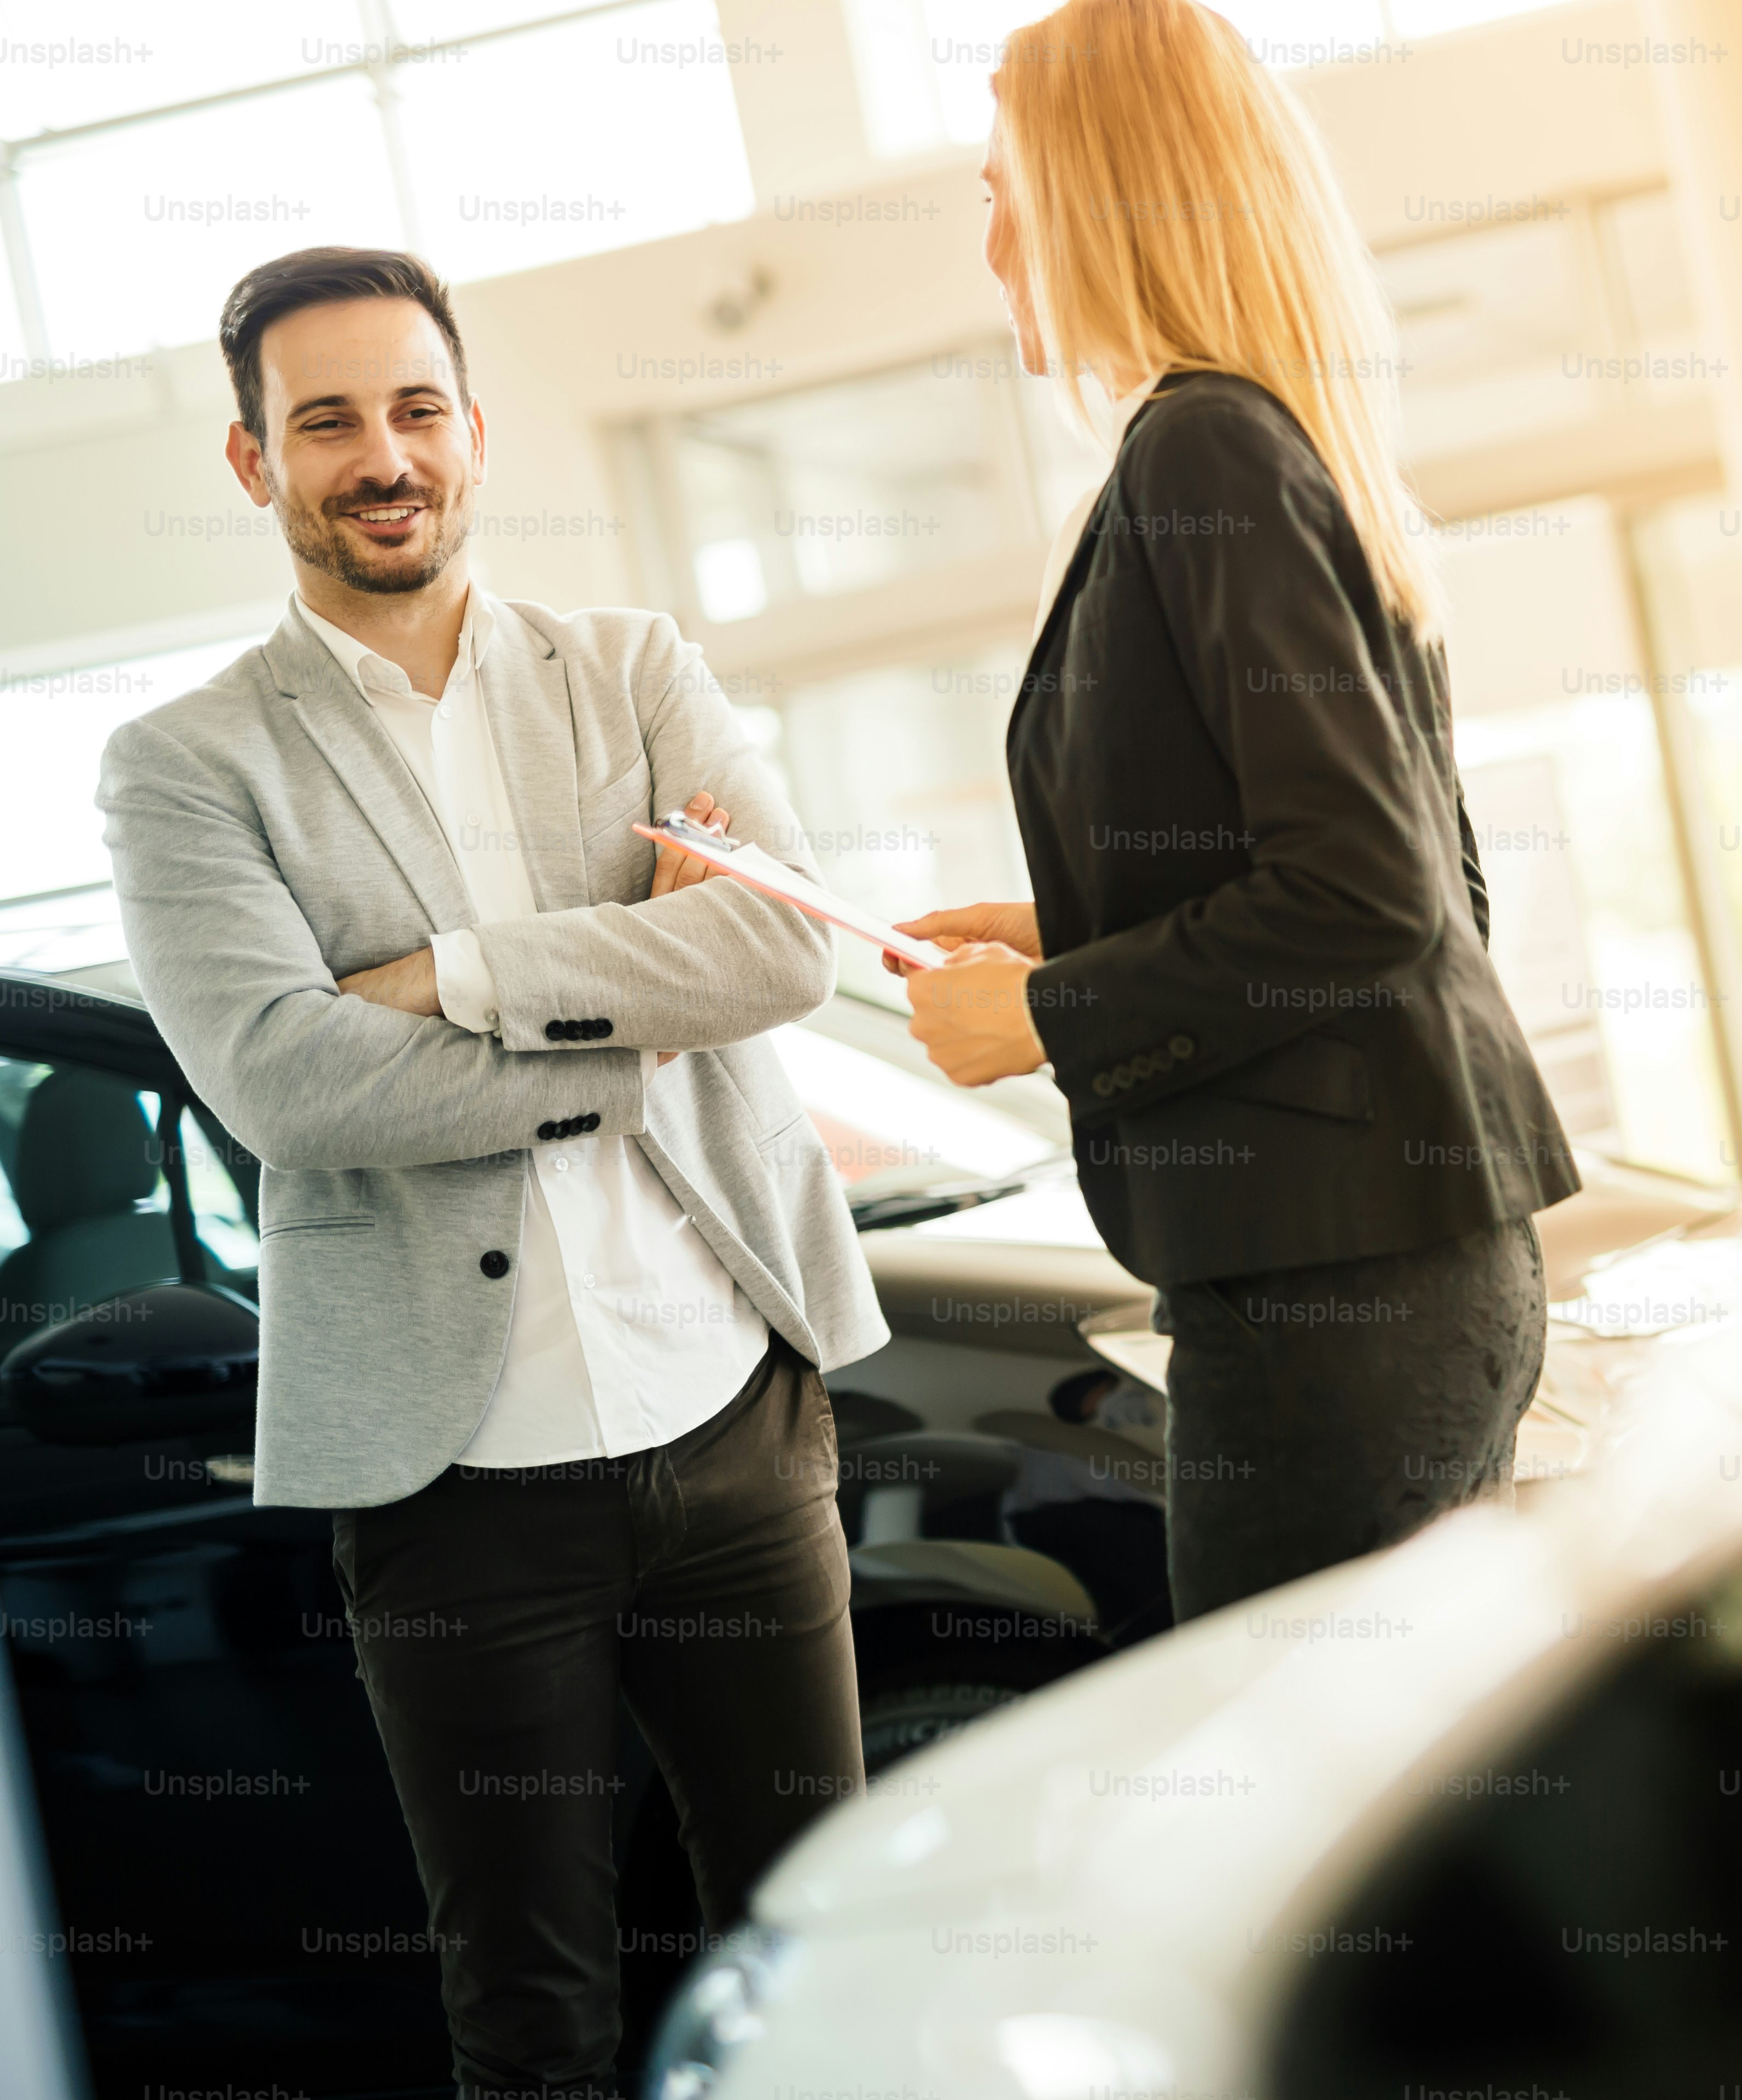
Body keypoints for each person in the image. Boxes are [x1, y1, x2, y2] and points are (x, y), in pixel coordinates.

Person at [95, 247, 885, 2099]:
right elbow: (285, 1082)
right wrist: (636, 1007)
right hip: (453, 1489)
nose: (385, 456)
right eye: (328, 422)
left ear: (472, 429)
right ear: (252, 463)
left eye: (416, 408)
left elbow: (786, 956)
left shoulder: (633, 669)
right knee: (531, 2013)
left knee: (819, 1954)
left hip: (733, 1417)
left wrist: (454, 978)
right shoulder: (184, 766)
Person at [889, 0, 1580, 1621]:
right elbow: (1426, 885)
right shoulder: (1272, 445)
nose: (991, 247)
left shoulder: (1205, 449)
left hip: (1338, 1291)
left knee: (1291, 1813)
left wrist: (1050, 1014)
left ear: (1099, 199)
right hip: (1393, 1267)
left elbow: (1372, 895)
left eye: (1003, 193)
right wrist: (1067, 931)